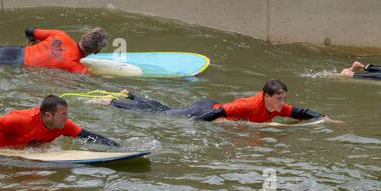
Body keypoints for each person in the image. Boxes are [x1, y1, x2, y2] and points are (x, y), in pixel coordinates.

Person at [107, 80, 332, 123]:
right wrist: (197, 125)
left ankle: (131, 95)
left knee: (165, 109)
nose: (283, 103)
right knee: (162, 115)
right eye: (279, 98)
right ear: (266, 97)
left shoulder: (277, 108)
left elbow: (300, 112)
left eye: (284, 98)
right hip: (204, 110)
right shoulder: (248, 105)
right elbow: (218, 113)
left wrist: (323, 118)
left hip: (209, 107)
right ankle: (114, 102)